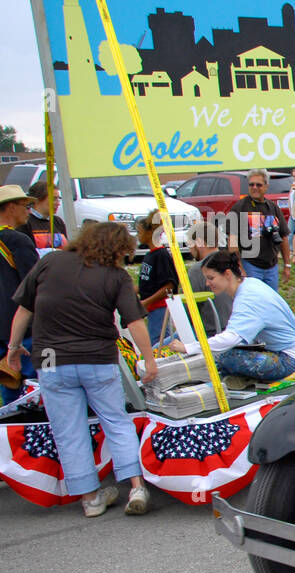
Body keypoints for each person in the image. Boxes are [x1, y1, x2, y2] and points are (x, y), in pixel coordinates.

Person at [6, 222, 158, 515]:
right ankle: (137, 487)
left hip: (50, 357)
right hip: (97, 356)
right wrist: (148, 360)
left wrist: (14, 348)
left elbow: (25, 309)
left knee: (68, 430)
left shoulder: (50, 261)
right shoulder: (116, 276)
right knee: (116, 420)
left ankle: (90, 500)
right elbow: (135, 322)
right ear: (117, 250)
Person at [167, 250, 295, 383]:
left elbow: (232, 338)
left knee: (220, 356)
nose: (207, 284)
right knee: (220, 352)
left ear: (227, 274)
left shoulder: (248, 298)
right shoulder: (250, 284)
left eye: (211, 278)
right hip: (283, 352)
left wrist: (188, 348)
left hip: (287, 360)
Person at [1, 184, 40, 405]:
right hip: (23, 326)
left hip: (2, 325)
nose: (29, 210)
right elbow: (35, 284)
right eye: (26, 205)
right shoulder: (18, 240)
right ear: (12, 207)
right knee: (34, 386)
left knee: (8, 382)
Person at [231, 169, 289, 290]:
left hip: (271, 266)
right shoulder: (240, 207)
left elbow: (283, 236)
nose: (255, 187)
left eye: (259, 184)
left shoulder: (273, 207)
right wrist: (239, 268)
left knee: (271, 302)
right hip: (250, 265)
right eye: (251, 184)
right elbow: (232, 242)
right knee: (254, 301)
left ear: (266, 187)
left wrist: (287, 265)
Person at [134, 210, 180, 345]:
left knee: (159, 343)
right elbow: (149, 283)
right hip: (152, 308)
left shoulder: (161, 255)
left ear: (150, 233)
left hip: (161, 308)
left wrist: (146, 302)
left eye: (139, 232)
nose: (138, 235)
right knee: (156, 340)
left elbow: (169, 285)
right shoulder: (150, 255)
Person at [184, 217, 233, 336]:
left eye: (190, 244)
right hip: (235, 328)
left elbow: (189, 309)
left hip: (209, 332)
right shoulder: (232, 262)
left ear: (200, 242)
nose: (190, 249)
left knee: (158, 349)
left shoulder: (198, 269)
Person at [17, 180, 68, 254]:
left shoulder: (57, 221)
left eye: (58, 199)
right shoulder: (25, 222)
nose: (58, 203)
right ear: (38, 199)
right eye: (54, 199)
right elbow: (25, 252)